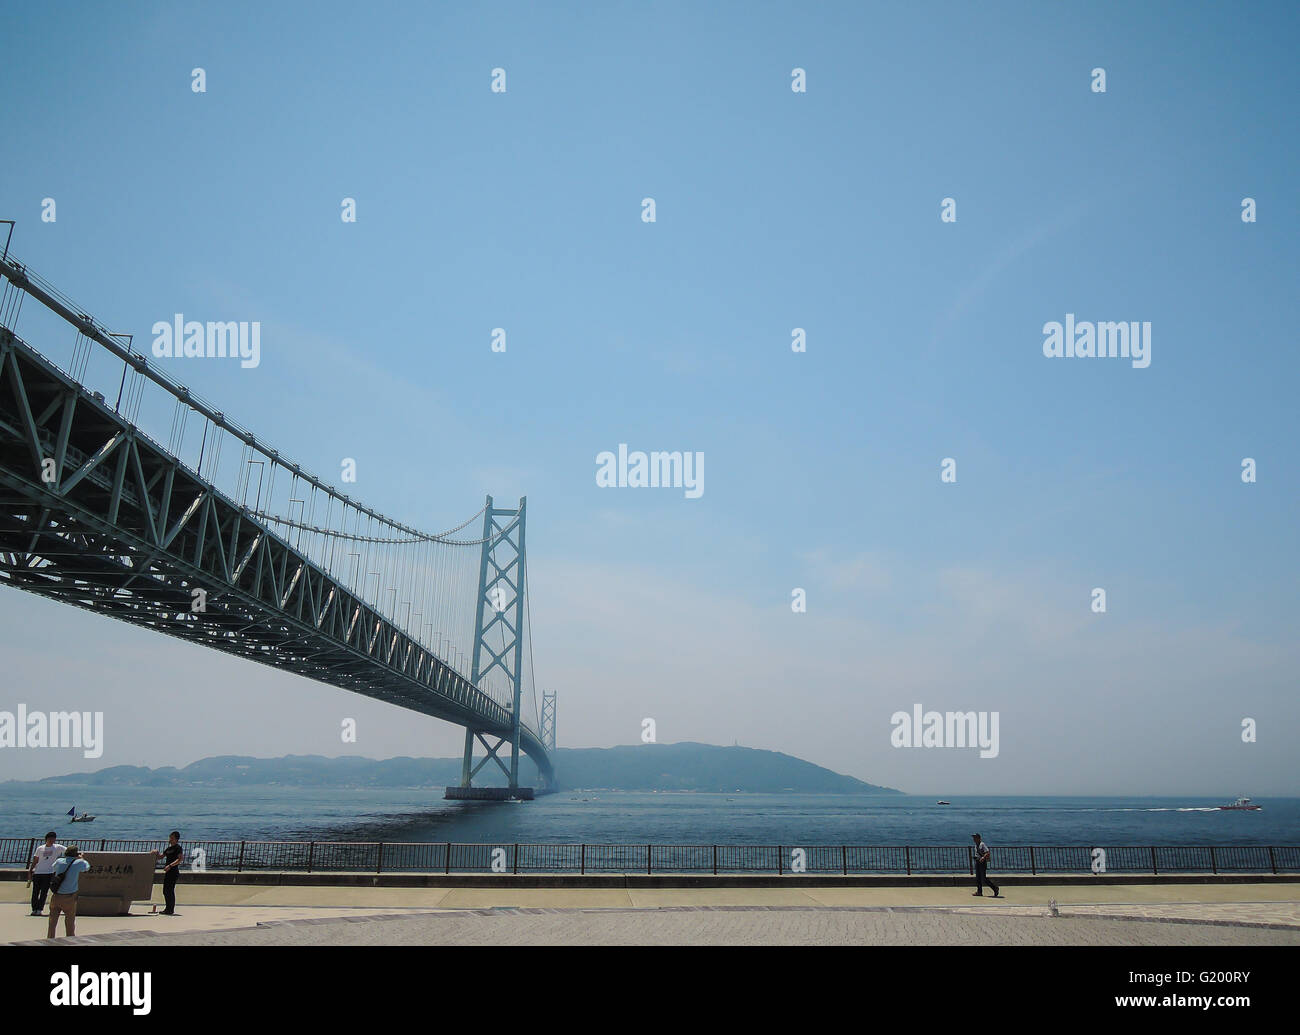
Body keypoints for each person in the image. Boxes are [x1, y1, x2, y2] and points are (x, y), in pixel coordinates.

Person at [47, 846, 91, 939]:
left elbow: (53, 867)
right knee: (70, 921)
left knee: (52, 921)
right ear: (76, 854)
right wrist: (82, 858)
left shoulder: (59, 861)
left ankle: (50, 939)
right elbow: (87, 868)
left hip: (57, 894)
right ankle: (70, 939)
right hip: (70, 896)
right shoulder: (78, 863)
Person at [27, 831, 66, 916]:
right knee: (35, 891)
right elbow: (35, 860)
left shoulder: (57, 847)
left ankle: (40, 909)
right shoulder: (40, 848)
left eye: (53, 839)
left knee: (44, 892)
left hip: (49, 873)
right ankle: (34, 909)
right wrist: (31, 870)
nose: (51, 841)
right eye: (50, 839)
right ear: (46, 839)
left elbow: (69, 851)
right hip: (38, 872)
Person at [155, 831, 184, 915]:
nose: (170, 840)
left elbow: (180, 859)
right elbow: (161, 857)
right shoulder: (168, 849)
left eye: (172, 838)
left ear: (176, 839)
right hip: (168, 872)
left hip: (173, 871)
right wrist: (155, 853)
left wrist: (170, 866)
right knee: (165, 891)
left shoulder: (178, 848)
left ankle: (170, 909)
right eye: (170, 837)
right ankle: (167, 908)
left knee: (170, 890)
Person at [972, 833, 1000, 897]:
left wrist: (983, 858)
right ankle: (979, 892)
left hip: (982, 862)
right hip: (977, 861)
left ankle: (995, 888)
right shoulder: (976, 845)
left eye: (975, 837)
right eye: (973, 838)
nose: (974, 839)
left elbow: (987, 852)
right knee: (978, 878)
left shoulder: (982, 844)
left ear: (979, 838)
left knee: (983, 878)